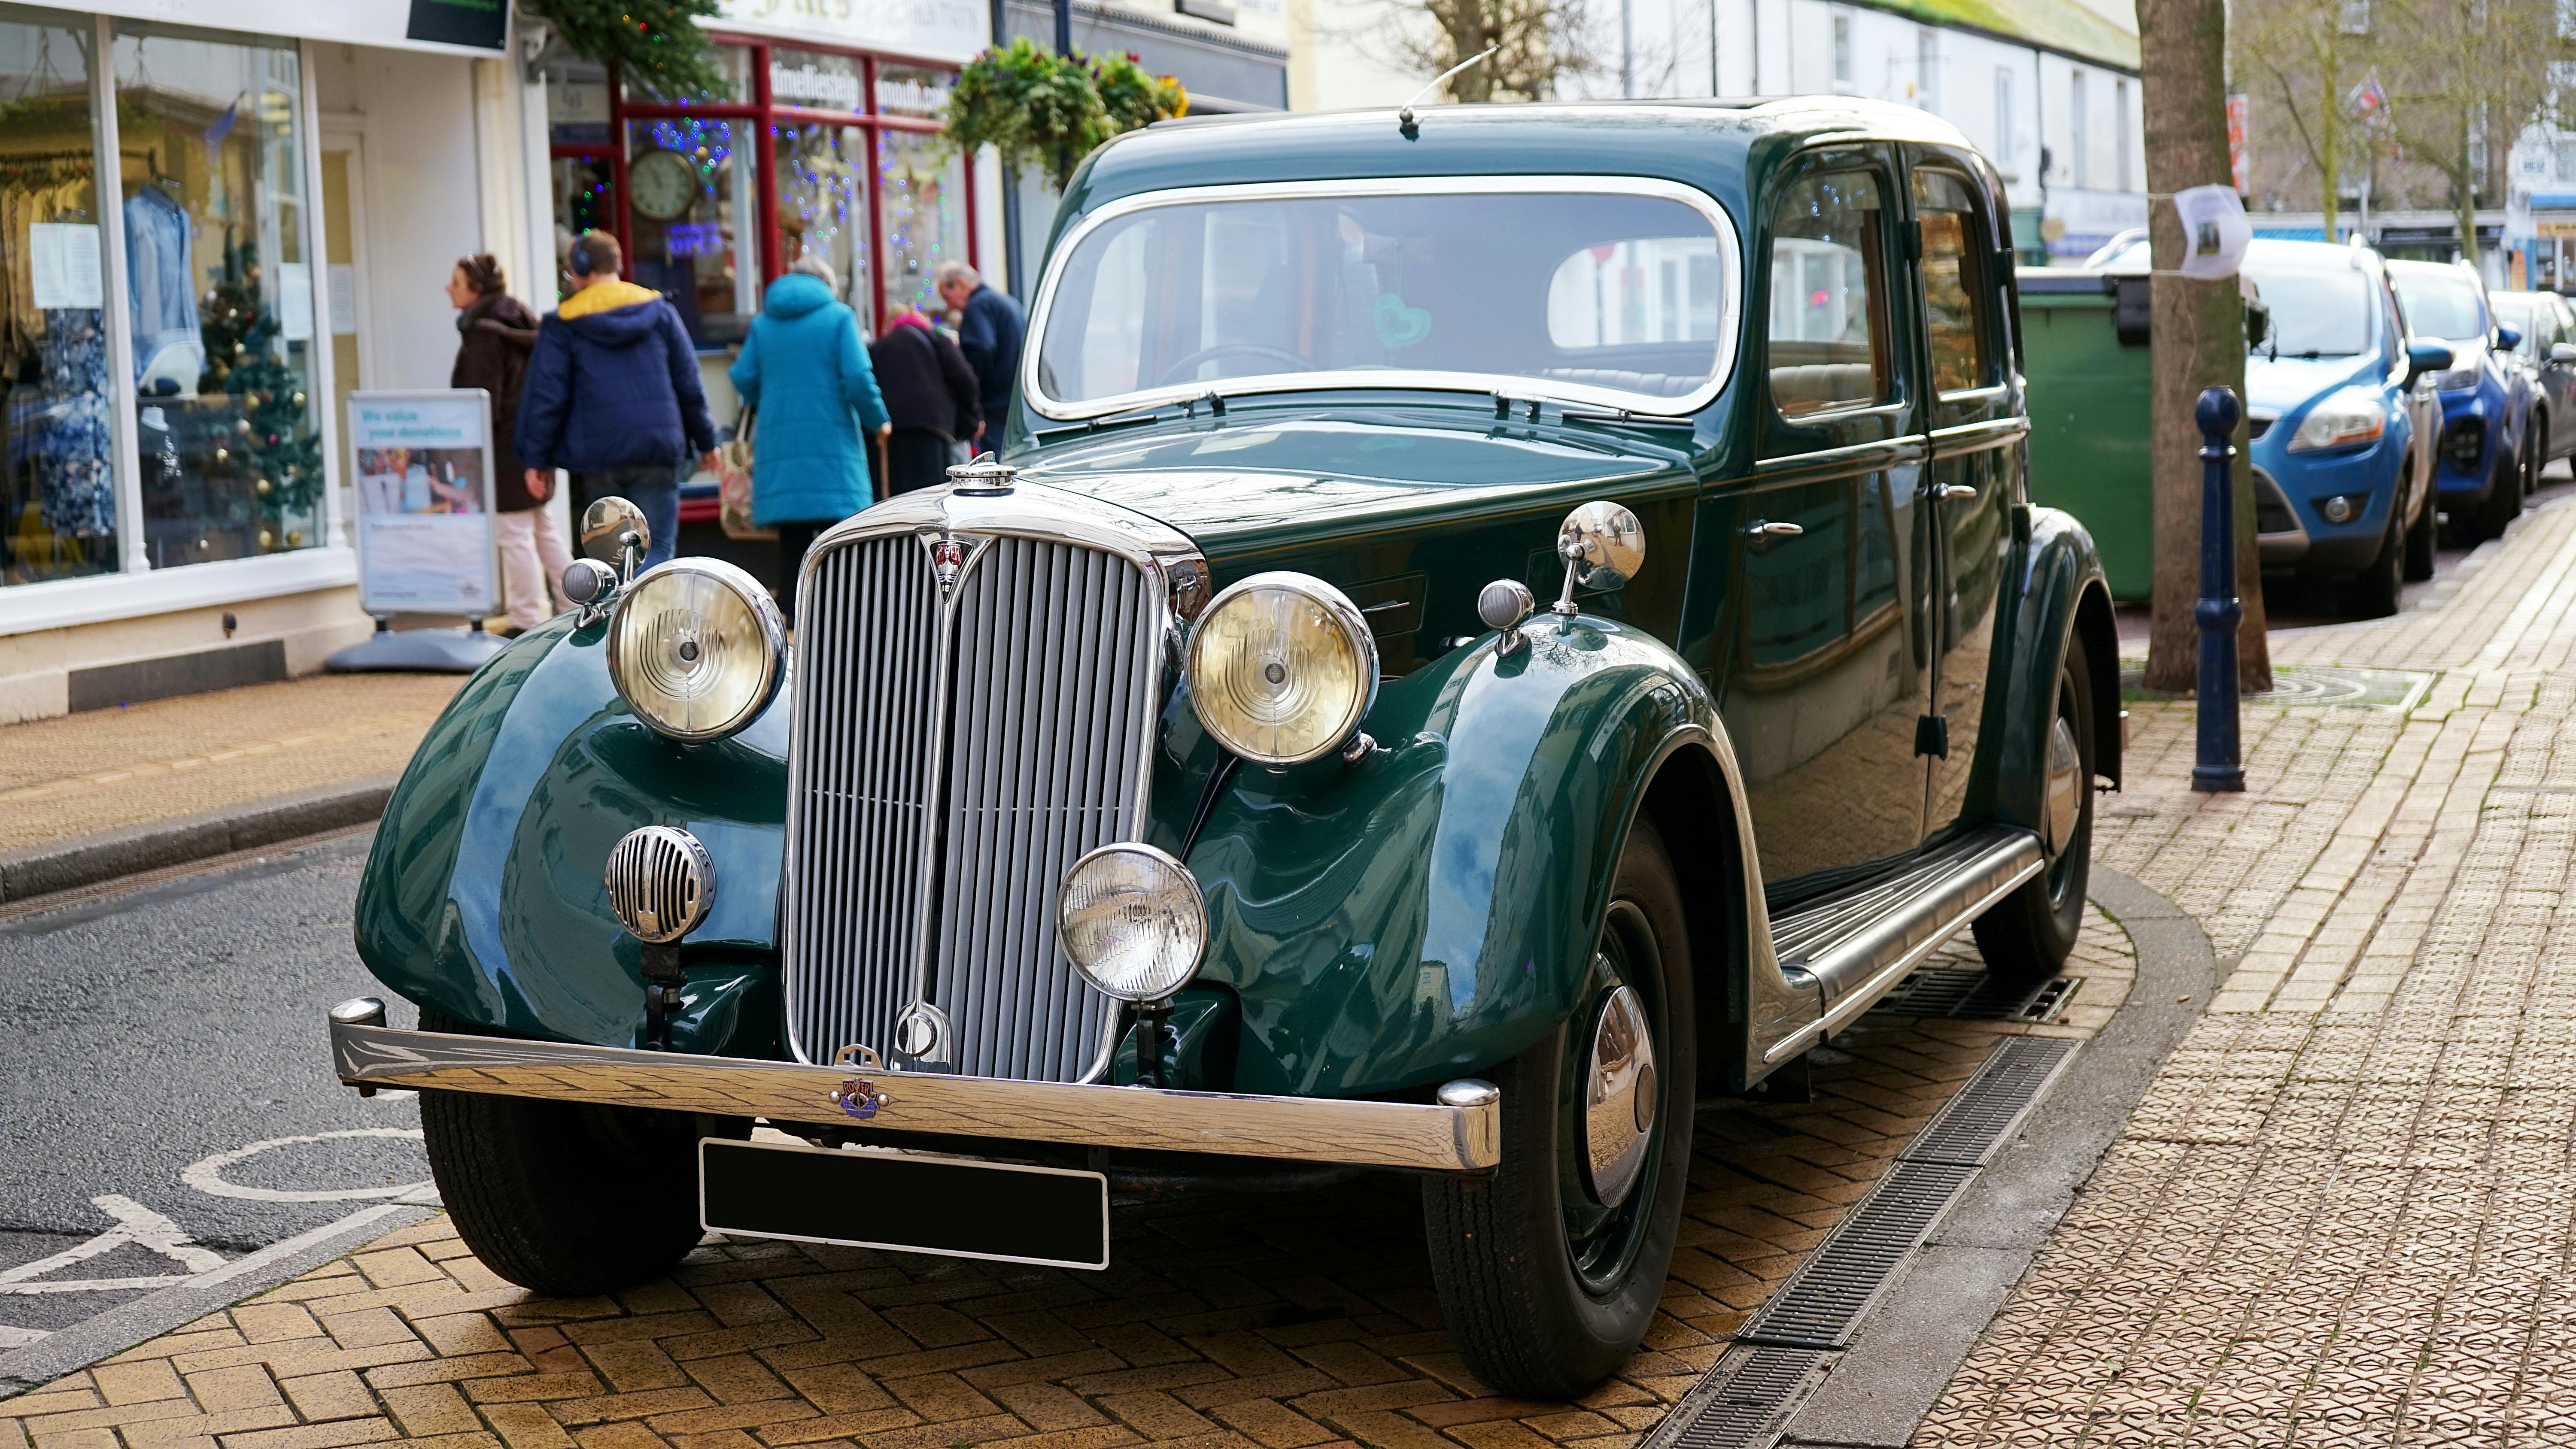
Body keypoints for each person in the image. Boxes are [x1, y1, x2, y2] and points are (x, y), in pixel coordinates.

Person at [515, 230, 716, 570]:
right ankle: (653, 621)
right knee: (657, 553)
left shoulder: (564, 324)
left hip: (599, 455)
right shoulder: (660, 311)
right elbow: (689, 384)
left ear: (581, 267)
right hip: (657, 449)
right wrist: (708, 441)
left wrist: (537, 460)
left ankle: (618, 621)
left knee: (610, 558)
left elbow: (548, 397)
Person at [729, 255, 890, 616]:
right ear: (826, 284)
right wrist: (878, 420)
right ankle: (845, 615)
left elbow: (742, 376)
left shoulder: (764, 323)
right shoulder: (839, 317)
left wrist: (772, 397)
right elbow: (858, 379)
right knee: (842, 535)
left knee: (793, 541)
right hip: (832, 444)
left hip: (781, 443)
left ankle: (797, 616)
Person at [445, 255, 562, 637]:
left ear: (476, 290)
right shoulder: (523, 322)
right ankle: (577, 602)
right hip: (535, 441)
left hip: (503, 448)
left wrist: (466, 450)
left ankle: (527, 619)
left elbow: (481, 402)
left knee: (514, 534)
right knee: (542, 527)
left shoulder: (484, 335)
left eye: (456, 283)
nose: (448, 289)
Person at [869, 306, 981, 495]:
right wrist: (970, 422)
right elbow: (966, 380)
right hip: (934, 429)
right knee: (933, 495)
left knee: (900, 497)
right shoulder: (939, 341)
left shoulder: (879, 348)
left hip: (893, 432)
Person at [935, 261, 1024, 445]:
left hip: (995, 408)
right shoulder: (1008, 302)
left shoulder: (978, 306)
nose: (949, 306)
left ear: (960, 283)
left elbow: (980, 349)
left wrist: (969, 393)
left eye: (947, 297)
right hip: (1016, 404)